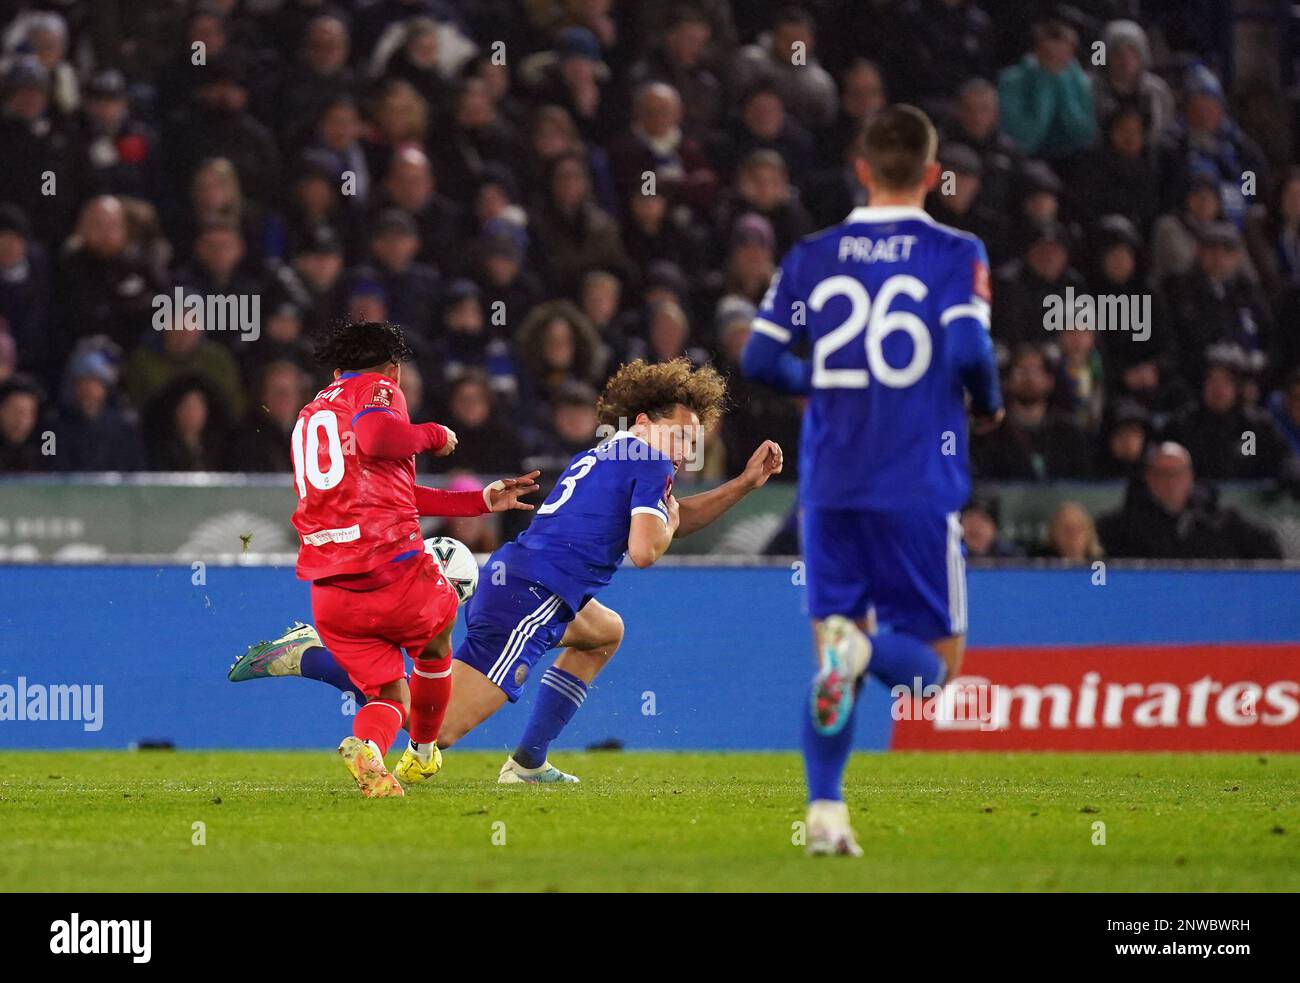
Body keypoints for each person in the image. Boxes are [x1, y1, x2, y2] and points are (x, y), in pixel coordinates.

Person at [229, 357, 784, 786]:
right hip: (534, 597)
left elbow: (674, 518)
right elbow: (646, 549)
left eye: (693, 439)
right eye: (677, 432)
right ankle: (310, 655)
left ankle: (527, 764)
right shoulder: (650, 458)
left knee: (605, 632)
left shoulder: (617, 453)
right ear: (643, 421)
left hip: (527, 581)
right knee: (436, 726)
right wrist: (661, 520)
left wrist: (741, 485)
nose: (683, 448)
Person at [740, 105, 1002, 855]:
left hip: (830, 484)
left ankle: (825, 815)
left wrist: (815, 378)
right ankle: (858, 657)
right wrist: (987, 404)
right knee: (932, 675)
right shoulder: (957, 251)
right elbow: (968, 347)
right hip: (915, 477)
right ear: (930, 173)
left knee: (834, 652)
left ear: (861, 169)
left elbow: (758, 360)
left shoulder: (813, 253)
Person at [279, 321, 539, 797]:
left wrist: (479, 500)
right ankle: (422, 754)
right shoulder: (377, 388)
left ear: (336, 370)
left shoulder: (310, 414)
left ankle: (368, 749)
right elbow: (380, 438)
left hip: (330, 593)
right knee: (437, 644)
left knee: (387, 695)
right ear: (394, 371)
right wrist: (434, 434)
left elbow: (391, 493)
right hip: (390, 571)